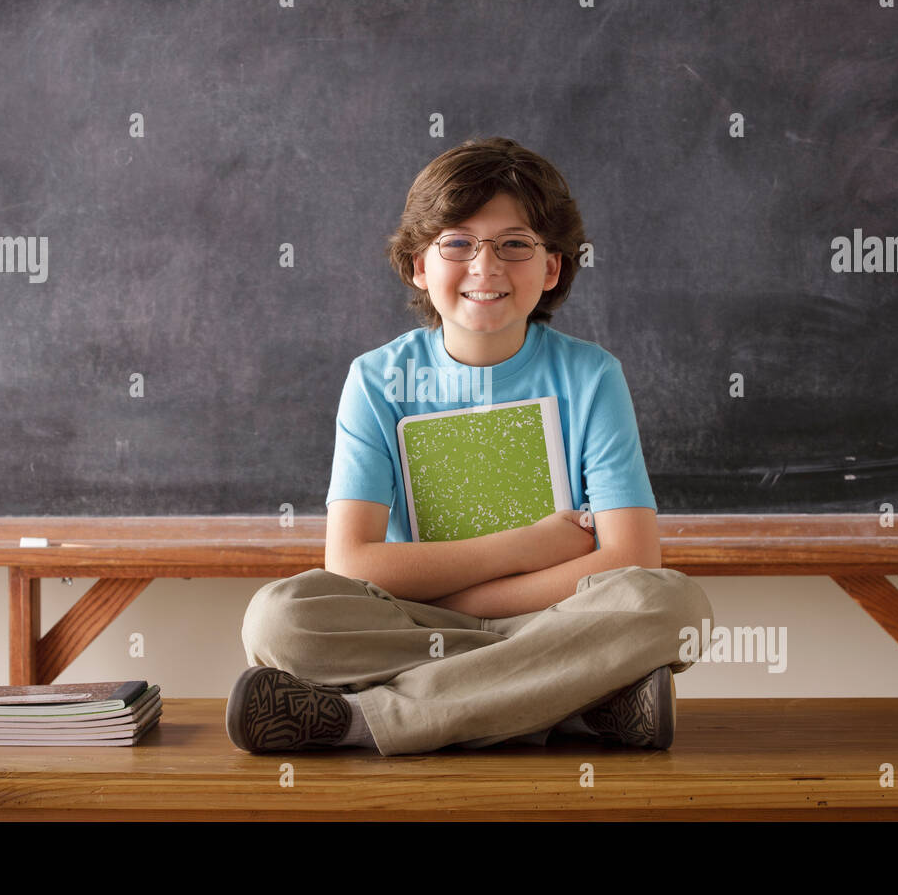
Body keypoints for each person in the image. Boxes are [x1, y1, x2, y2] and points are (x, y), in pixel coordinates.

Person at [226, 137, 714, 756]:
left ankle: (358, 721)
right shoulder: (377, 379)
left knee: (673, 605)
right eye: (457, 242)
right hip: (420, 622)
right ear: (417, 266)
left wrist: (472, 601)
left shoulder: (592, 377)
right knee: (279, 618)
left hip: (550, 619)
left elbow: (631, 559)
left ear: (552, 267)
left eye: (515, 244)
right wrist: (529, 545)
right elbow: (351, 564)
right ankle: (573, 711)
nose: (486, 268)